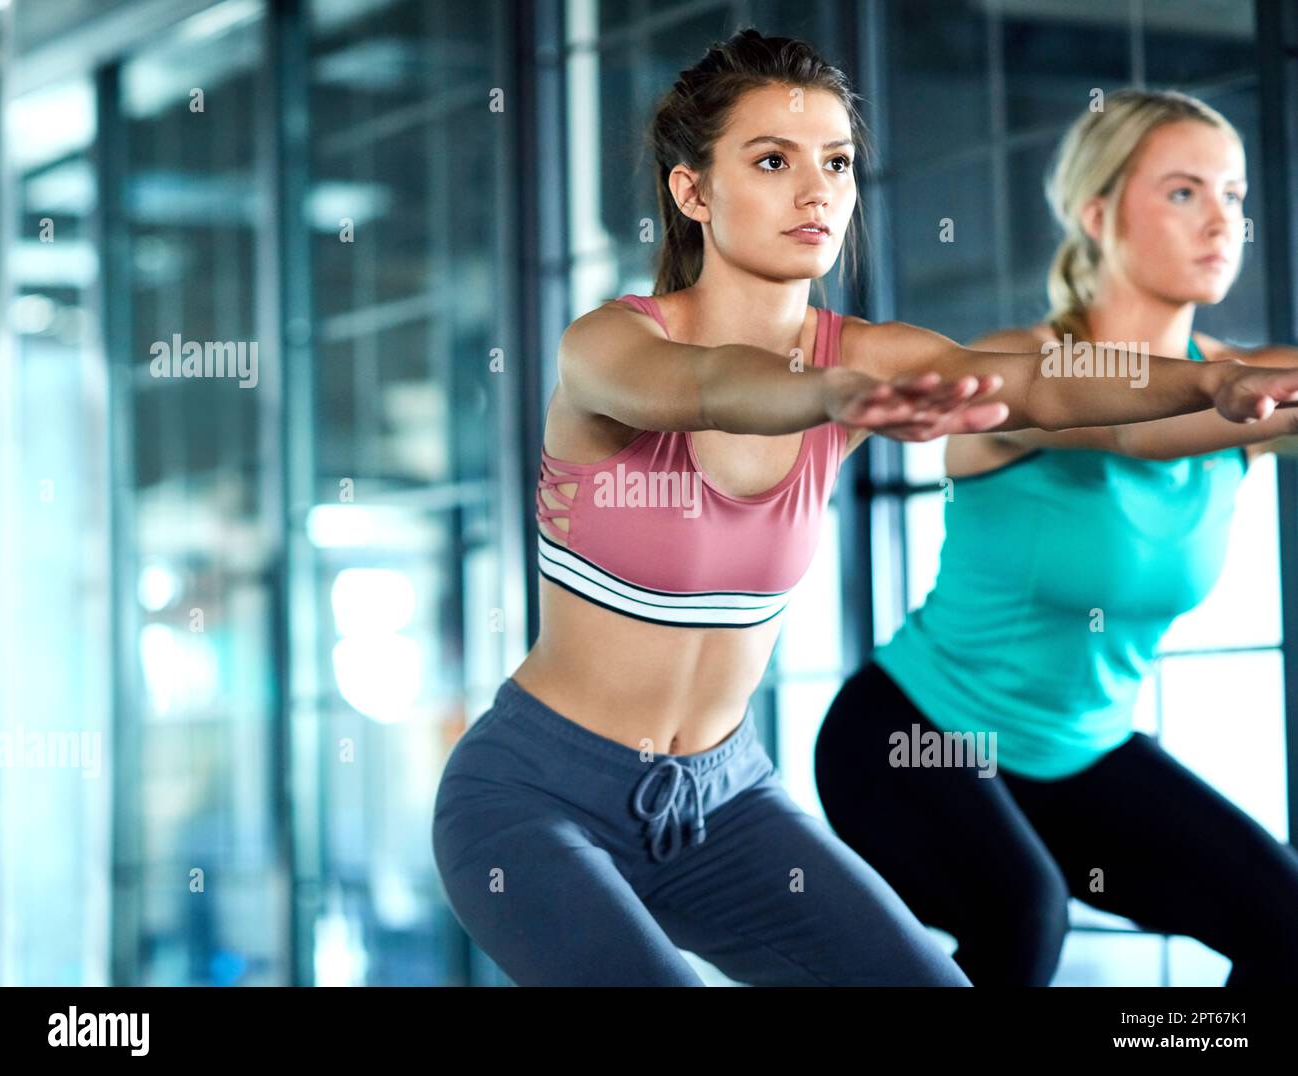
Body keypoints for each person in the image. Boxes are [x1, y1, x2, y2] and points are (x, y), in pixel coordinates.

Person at [433, 33, 1298, 987]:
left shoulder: (871, 351)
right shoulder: (611, 346)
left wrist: (1212, 384)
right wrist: (828, 397)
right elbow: (709, 385)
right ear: (693, 191)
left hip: (726, 804)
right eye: (773, 161)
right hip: (535, 799)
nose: (818, 192)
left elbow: (1046, 383)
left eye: (837, 163)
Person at [815, 88, 1298, 987]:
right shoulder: (1026, 367)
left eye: (1233, 195)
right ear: (1098, 211)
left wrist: (1239, 390)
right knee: (1021, 916)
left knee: (1286, 924)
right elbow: (1129, 425)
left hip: (1082, 756)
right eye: (1185, 192)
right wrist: (1226, 393)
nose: (1222, 220)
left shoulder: (1248, 386)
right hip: (918, 736)